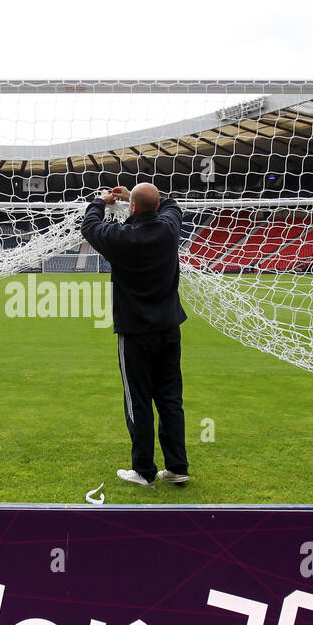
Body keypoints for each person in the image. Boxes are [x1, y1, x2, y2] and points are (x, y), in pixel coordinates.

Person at [81, 182, 189, 487]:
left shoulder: (120, 238)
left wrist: (100, 201)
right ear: (154, 207)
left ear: (134, 209)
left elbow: (90, 226)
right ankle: (177, 466)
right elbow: (172, 205)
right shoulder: (169, 230)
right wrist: (133, 197)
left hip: (135, 333)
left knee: (137, 400)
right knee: (170, 398)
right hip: (168, 330)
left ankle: (143, 470)